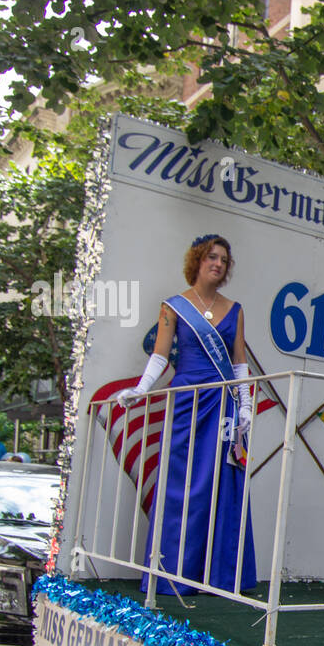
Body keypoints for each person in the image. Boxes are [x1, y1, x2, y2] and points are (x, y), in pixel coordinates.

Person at [115, 234, 257, 595]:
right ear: (197, 261)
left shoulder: (235, 309)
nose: (218, 264)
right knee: (179, 486)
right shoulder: (174, 306)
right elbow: (160, 356)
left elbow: (239, 362)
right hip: (186, 403)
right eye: (212, 257)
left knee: (221, 485)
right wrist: (141, 389)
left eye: (224, 259)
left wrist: (244, 404)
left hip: (221, 403)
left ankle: (220, 578)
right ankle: (172, 572)